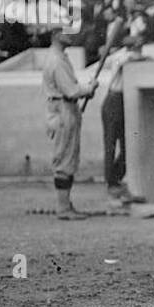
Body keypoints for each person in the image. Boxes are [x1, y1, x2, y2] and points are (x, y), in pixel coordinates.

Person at [42, 29, 99, 219]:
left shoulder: (60, 57)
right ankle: (63, 207)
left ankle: (65, 205)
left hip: (64, 106)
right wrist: (89, 88)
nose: (71, 35)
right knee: (65, 159)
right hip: (63, 107)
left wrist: (85, 90)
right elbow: (71, 91)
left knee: (68, 157)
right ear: (56, 35)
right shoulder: (57, 60)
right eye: (66, 32)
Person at [100, 34, 149, 206]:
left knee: (127, 146)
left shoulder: (133, 56)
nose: (139, 48)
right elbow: (129, 60)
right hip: (114, 99)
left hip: (124, 100)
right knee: (111, 145)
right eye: (137, 45)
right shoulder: (122, 56)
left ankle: (116, 180)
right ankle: (111, 185)